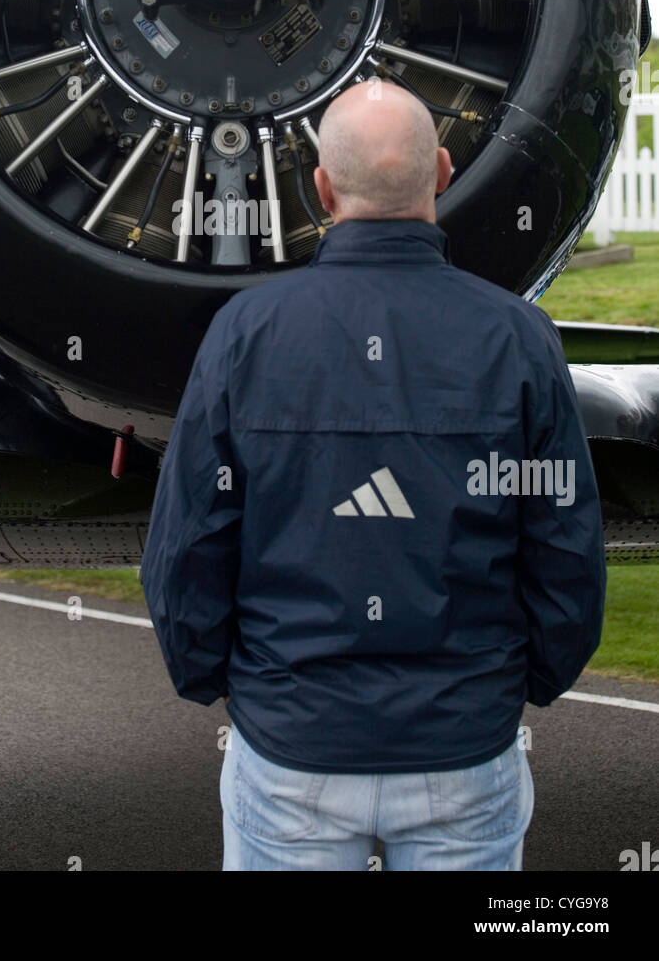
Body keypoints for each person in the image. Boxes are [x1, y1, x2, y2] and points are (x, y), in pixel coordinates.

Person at [140, 79, 606, 871]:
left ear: (320, 186)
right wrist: (512, 691)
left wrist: (232, 688)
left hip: (292, 742)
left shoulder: (244, 334)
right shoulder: (520, 339)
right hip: (465, 745)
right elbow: (565, 549)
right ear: (444, 171)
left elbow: (186, 547)